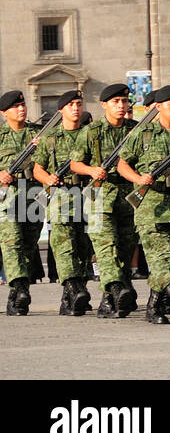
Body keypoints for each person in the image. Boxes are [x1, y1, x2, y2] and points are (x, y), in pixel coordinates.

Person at [115, 85, 170, 324]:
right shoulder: (143, 134)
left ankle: (154, 306)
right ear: (158, 107)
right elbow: (122, 165)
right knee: (163, 255)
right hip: (151, 207)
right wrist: (138, 178)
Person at [72, 83, 141, 317]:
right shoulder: (92, 131)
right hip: (98, 194)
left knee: (124, 248)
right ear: (104, 105)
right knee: (105, 246)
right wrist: (91, 171)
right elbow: (75, 163)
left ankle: (109, 299)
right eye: (115, 102)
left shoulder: (136, 129)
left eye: (124, 102)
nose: (121, 106)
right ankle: (117, 287)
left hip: (128, 195)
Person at [32, 90, 94, 315]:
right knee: (64, 246)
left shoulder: (92, 134)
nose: (76, 108)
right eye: (71, 105)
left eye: (79, 103)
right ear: (61, 111)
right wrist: (47, 178)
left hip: (89, 194)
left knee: (84, 247)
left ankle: (73, 297)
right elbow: (37, 169)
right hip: (62, 195)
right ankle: (73, 287)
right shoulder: (51, 138)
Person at [0, 90, 40, 314]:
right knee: (13, 243)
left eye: (23, 105)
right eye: (15, 107)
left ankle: (16, 295)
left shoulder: (39, 135)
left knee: (28, 246)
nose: (21, 109)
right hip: (6, 199)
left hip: (34, 197)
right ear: (4, 113)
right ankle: (20, 288)